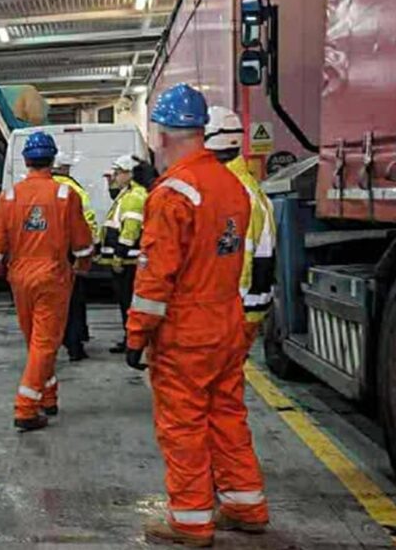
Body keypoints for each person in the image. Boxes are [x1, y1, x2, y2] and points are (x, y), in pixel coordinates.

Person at [125, 84, 269, 547]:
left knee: (183, 424)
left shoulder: (171, 195)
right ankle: (246, 505)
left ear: (163, 136)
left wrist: (135, 335)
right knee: (227, 413)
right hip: (227, 320)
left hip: (186, 331)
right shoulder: (233, 185)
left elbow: (155, 278)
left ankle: (190, 522)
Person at [0, 132, 93, 432]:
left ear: (26, 160)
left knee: (35, 341)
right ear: (52, 160)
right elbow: (82, 243)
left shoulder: (9, 197)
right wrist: (83, 264)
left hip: (19, 278)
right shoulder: (64, 195)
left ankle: (48, 395)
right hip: (52, 277)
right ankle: (26, 407)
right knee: (44, 343)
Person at [205, 106, 277, 350]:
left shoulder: (231, 191)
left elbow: (239, 258)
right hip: (247, 308)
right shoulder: (246, 185)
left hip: (234, 313)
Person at [99, 154, 148, 354]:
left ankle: (133, 341)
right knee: (127, 303)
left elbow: (130, 231)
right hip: (128, 260)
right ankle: (131, 338)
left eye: (118, 172)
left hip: (128, 261)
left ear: (129, 174)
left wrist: (119, 256)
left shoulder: (134, 197)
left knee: (129, 304)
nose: (115, 176)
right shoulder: (129, 193)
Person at [52, 154, 98, 361]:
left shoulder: (41, 189)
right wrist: (88, 250)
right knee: (74, 300)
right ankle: (75, 343)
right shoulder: (74, 190)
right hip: (71, 253)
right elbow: (86, 221)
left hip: (44, 255)